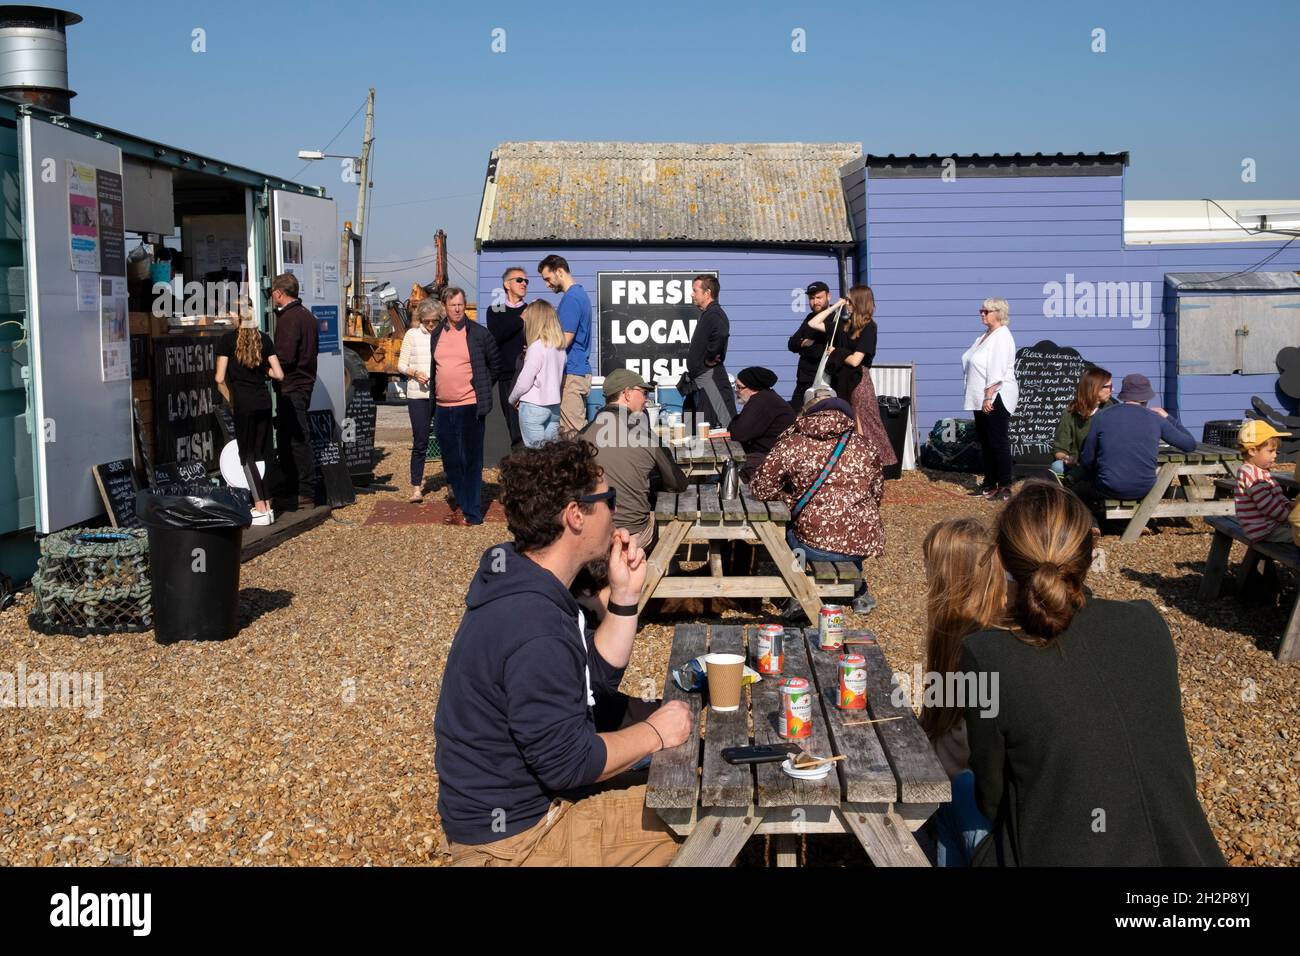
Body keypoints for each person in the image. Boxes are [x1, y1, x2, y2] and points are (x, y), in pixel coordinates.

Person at [434, 439, 691, 866]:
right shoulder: (534, 625)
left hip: (512, 814)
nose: (616, 510)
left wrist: (625, 596)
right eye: (608, 499)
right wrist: (656, 733)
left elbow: (592, 681)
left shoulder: (523, 577)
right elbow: (568, 763)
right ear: (576, 515)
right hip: (517, 843)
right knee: (700, 807)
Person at [959, 481, 1225, 865]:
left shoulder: (985, 653)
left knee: (956, 795)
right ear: (1093, 551)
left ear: (1000, 557)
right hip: (1186, 854)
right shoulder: (1148, 623)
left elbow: (992, 796)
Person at [750, 390, 882, 619]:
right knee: (853, 524)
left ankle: (796, 591)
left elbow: (761, 488)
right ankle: (859, 591)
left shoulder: (793, 443)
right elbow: (877, 493)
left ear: (808, 414)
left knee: (790, 529)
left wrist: (789, 499)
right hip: (861, 543)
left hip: (813, 545)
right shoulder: (866, 446)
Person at [917, 518, 1002, 866]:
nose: (923, 570)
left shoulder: (974, 646)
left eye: (929, 563)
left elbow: (966, 752)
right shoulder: (979, 626)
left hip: (970, 799)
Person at [579, 368, 687, 551]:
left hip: (590, 532)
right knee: (666, 522)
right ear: (627, 394)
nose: (647, 399)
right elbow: (678, 483)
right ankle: (667, 573)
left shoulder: (582, 435)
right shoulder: (644, 434)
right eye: (643, 393)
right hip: (633, 533)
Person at [429, 286, 502, 526]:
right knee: (451, 461)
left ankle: (472, 512)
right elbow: (435, 367)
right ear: (445, 308)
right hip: (442, 407)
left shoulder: (479, 334)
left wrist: (480, 385)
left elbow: (496, 364)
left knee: (471, 460)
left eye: (461, 304)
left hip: (469, 406)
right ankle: (461, 501)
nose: (458, 309)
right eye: (453, 305)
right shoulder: (437, 334)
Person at [806, 285, 896, 469]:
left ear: (859, 302)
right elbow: (813, 323)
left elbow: (856, 360)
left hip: (858, 380)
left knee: (866, 421)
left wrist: (835, 352)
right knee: (852, 420)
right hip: (843, 379)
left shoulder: (869, 327)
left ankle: (879, 462)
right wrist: (834, 307)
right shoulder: (844, 325)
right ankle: (861, 462)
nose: (846, 303)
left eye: (849, 300)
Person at [1075, 372, 1196, 507]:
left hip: (1109, 487)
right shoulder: (1156, 419)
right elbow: (1189, 444)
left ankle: (1092, 523)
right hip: (1144, 488)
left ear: (1124, 395)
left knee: (1077, 489)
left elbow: (1087, 459)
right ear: (1146, 397)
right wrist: (1168, 417)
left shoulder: (1102, 416)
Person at [215, 315, 285, 525]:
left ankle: (260, 506)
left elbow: (219, 378)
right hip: (263, 401)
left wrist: (231, 398)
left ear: (236, 319)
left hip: (244, 403)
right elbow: (279, 374)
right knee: (264, 452)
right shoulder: (263, 339)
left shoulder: (227, 340)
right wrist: (263, 369)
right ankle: (269, 503)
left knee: (246, 456)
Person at [960, 297, 1018, 501]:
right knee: (985, 441)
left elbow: (997, 369)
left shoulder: (1002, 336)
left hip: (995, 396)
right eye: (981, 311)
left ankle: (1004, 485)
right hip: (980, 396)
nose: (982, 314)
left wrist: (988, 396)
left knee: (997, 440)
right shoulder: (985, 336)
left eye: (986, 311)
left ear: (998, 313)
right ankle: (990, 482)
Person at [270, 273, 319, 510]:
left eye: (272, 292)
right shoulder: (307, 316)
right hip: (304, 383)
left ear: (279, 293)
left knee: (296, 441)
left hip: (292, 386)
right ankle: (300, 489)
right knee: (295, 439)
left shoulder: (289, 319)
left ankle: (303, 492)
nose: (271, 296)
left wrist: (265, 367)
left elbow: (285, 358)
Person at [537, 255, 592, 436]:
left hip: (572, 374)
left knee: (572, 433)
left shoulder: (571, 298)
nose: (547, 284)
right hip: (576, 371)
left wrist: (539, 347)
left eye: (548, 278)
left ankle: (580, 465)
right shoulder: (580, 294)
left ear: (559, 272)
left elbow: (564, 340)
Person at [508, 301, 567, 448]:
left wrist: (512, 398)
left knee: (535, 458)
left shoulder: (536, 347)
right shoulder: (560, 348)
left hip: (533, 406)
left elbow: (524, 381)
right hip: (553, 407)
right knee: (551, 456)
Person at [681, 274, 736, 429]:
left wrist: (709, 358)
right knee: (695, 427)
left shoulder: (715, 313)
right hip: (701, 381)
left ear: (707, 293)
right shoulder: (708, 314)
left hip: (711, 381)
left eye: (695, 290)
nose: (692, 294)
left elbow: (721, 334)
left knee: (719, 428)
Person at [397, 299, 440, 502]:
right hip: (418, 395)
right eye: (428, 321)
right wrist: (414, 373)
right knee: (420, 441)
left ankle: (451, 483)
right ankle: (416, 486)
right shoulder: (412, 335)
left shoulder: (443, 334)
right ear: (421, 319)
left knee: (446, 440)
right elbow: (401, 365)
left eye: (435, 321)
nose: (431, 325)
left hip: (441, 394)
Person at [1233, 420, 1300, 544]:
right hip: (1264, 530)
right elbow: (1267, 505)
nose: (1275, 455)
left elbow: (1276, 495)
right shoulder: (1250, 474)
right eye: (1270, 451)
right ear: (1252, 451)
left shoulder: (1260, 470)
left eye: (1276, 451)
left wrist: (1287, 505)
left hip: (1269, 525)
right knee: (1297, 536)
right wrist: (1289, 517)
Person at [729, 366, 795, 482]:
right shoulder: (767, 397)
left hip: (769, 461)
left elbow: (738, 434)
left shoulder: (760, 402)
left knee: (728, 476)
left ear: (753, 388)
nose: (736, 390)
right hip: (773, 457)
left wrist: (734, 423)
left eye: (739, 387)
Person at [487, 266, 528, 451]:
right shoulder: (495, 310)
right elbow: (497, 334)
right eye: (519, 280)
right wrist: (522, 318)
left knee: (530, 426)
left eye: (526, 281)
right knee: (514, 427)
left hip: (530, 376)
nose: (524, 284)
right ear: (506, 284)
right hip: (507, 377)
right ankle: (520, 471)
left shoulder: (532, 310)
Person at [1051, 367, 1115, 478]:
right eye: (1109, 386)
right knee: (1057, 466)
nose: (1112, 390)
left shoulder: (1111, 410)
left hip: (1101, 464)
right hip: (1077, 463)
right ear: (1095, 388)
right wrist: (1067, 458)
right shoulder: (1070, 412)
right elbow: (1060, 448)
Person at [786, 280, 831, 412]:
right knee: (795, 417)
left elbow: (818, 351)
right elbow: (791, 343)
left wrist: (803, 348)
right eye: (811, 298)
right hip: (802, 381)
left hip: (821, 382)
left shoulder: (833, 319)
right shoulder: (810, 317)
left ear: (828, 296)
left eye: (819, 297)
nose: (815, 302)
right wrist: (803, 343)